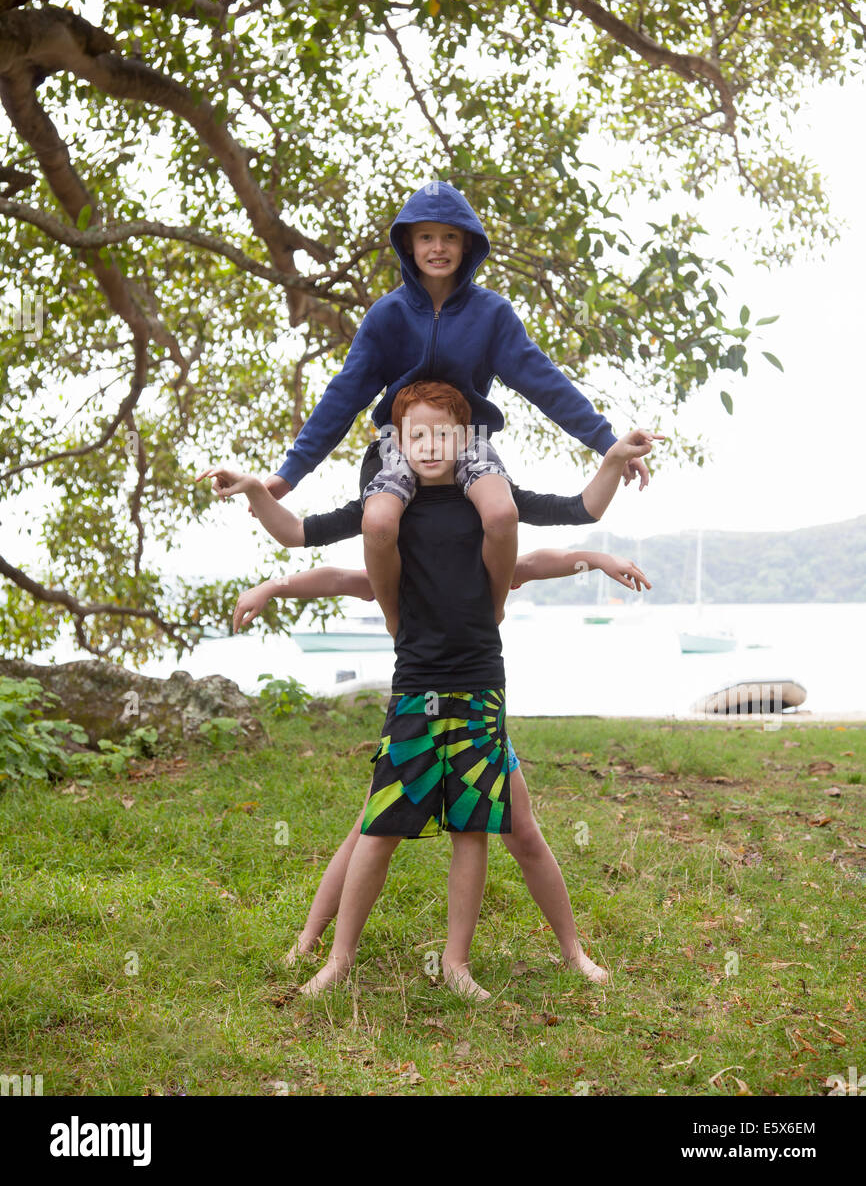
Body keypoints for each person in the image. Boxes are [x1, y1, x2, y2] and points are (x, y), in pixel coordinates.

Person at [198, 382, 661, 998]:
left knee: (488, 830)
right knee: (378, 826)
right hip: (417, 692)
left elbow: (543, 547)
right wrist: (271, 571)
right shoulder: (387, 513)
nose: (431, 445)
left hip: (479, 695)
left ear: (468, 439)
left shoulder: (487, 505)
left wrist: (598, 553)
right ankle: (330, 956)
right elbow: (333, 567)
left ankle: (487, 960)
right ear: (396, 441)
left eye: (444, 432)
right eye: (415, 434)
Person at [255, 181, 653, 637]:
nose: (438, 248)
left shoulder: (492, 314)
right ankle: (392, 616)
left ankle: (495, 606)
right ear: (408, 243)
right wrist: (289, 474)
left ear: (468, 244)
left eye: (449, 237)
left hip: (468, 441)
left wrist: (607, 442)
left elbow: (545, 383)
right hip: (397, 444)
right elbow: (342, 397)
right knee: (379, 520)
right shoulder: (387, 316)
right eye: (426, 237)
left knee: (502, 514)